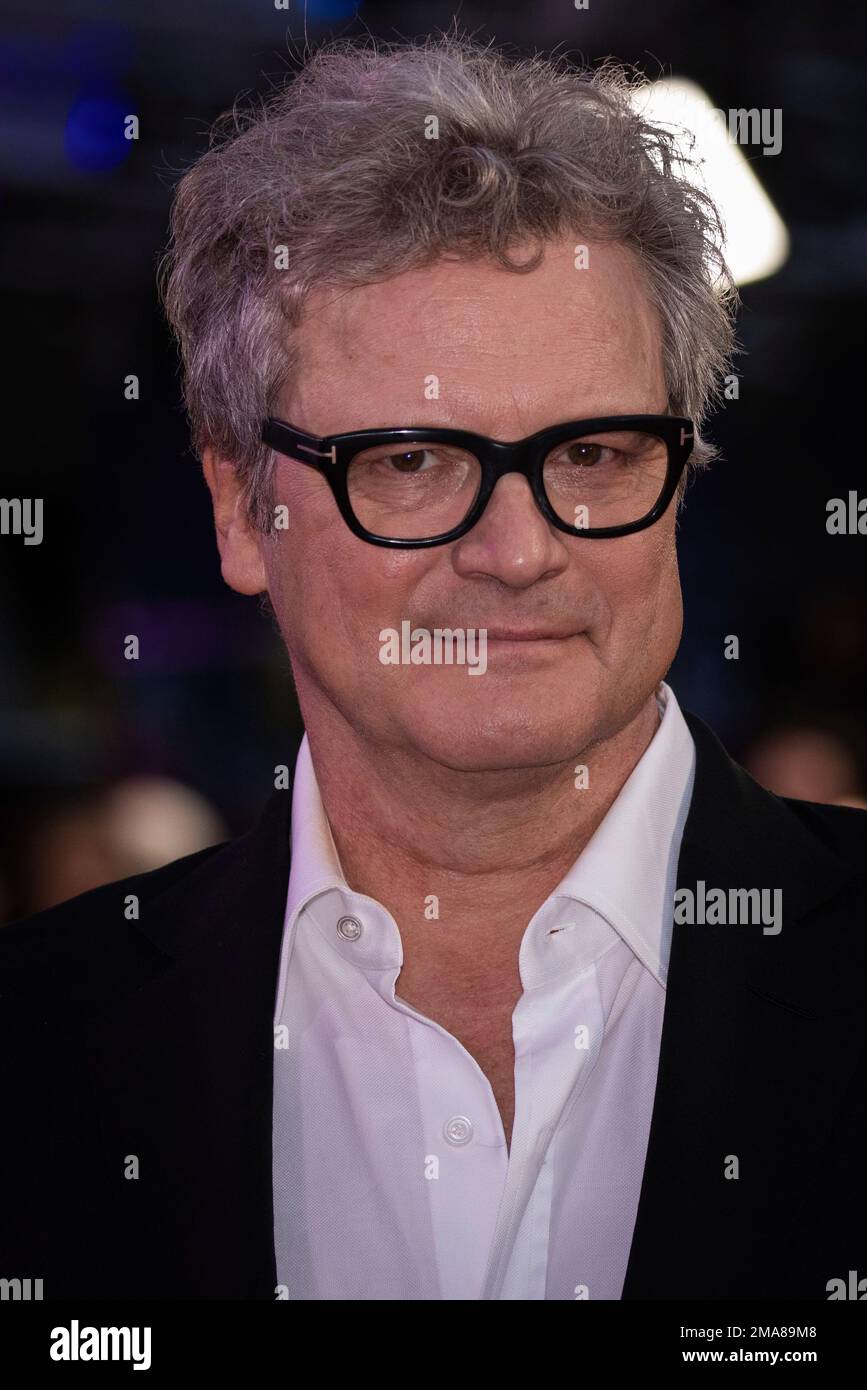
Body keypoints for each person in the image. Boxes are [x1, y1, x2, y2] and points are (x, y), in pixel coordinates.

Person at [2, 31, 865, 1302]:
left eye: (594, 455)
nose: (517, 553)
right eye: (412, 461)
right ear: (241, 509)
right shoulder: (31, 1048)